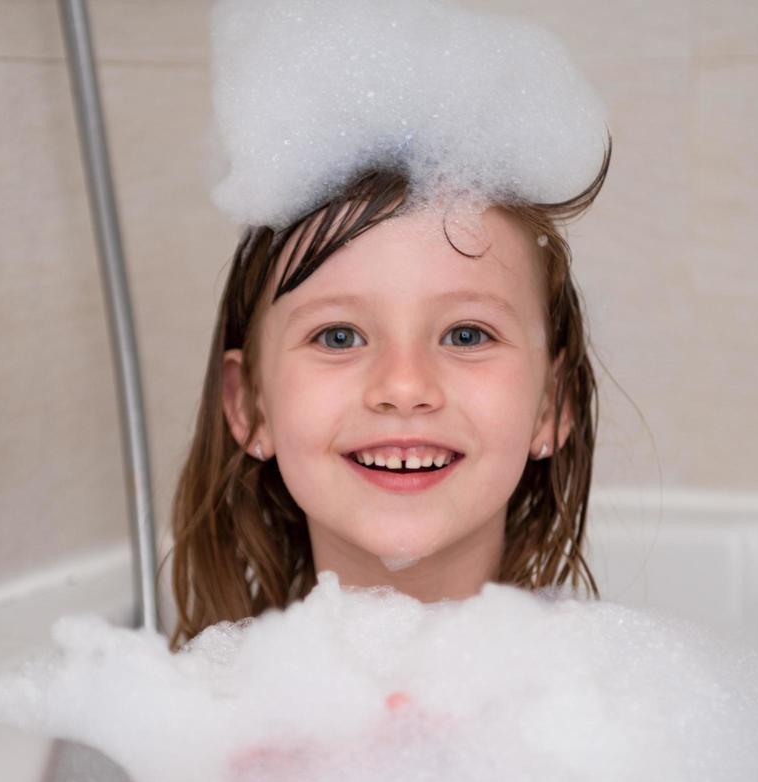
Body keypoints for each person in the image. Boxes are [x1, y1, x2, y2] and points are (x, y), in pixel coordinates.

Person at [167, 150, 611, 651]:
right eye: (338, 336)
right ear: (249, 403)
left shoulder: (608, 706)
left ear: (552, 404)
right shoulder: (203, 708)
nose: (403, 388)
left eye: (466, 335)